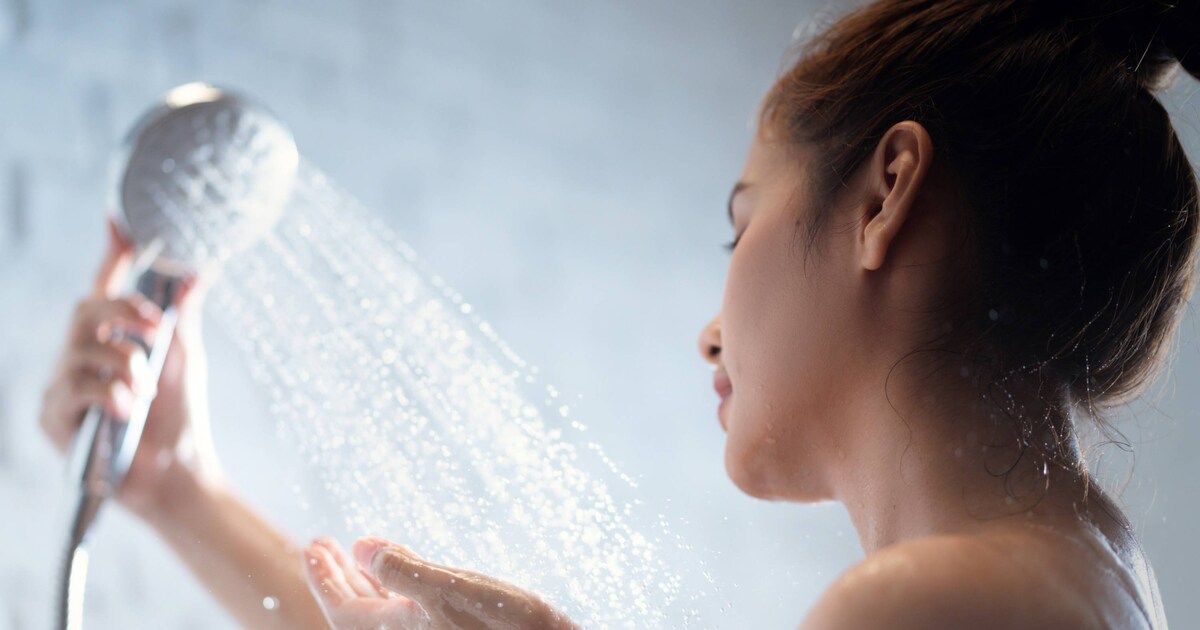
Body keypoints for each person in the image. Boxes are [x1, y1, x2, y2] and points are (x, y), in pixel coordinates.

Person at [39, 0, 1199, 628]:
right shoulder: (1073, 576)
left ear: (885, 195)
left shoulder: (932, 605)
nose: (709, 327)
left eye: (739, 222)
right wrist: (173, 485)